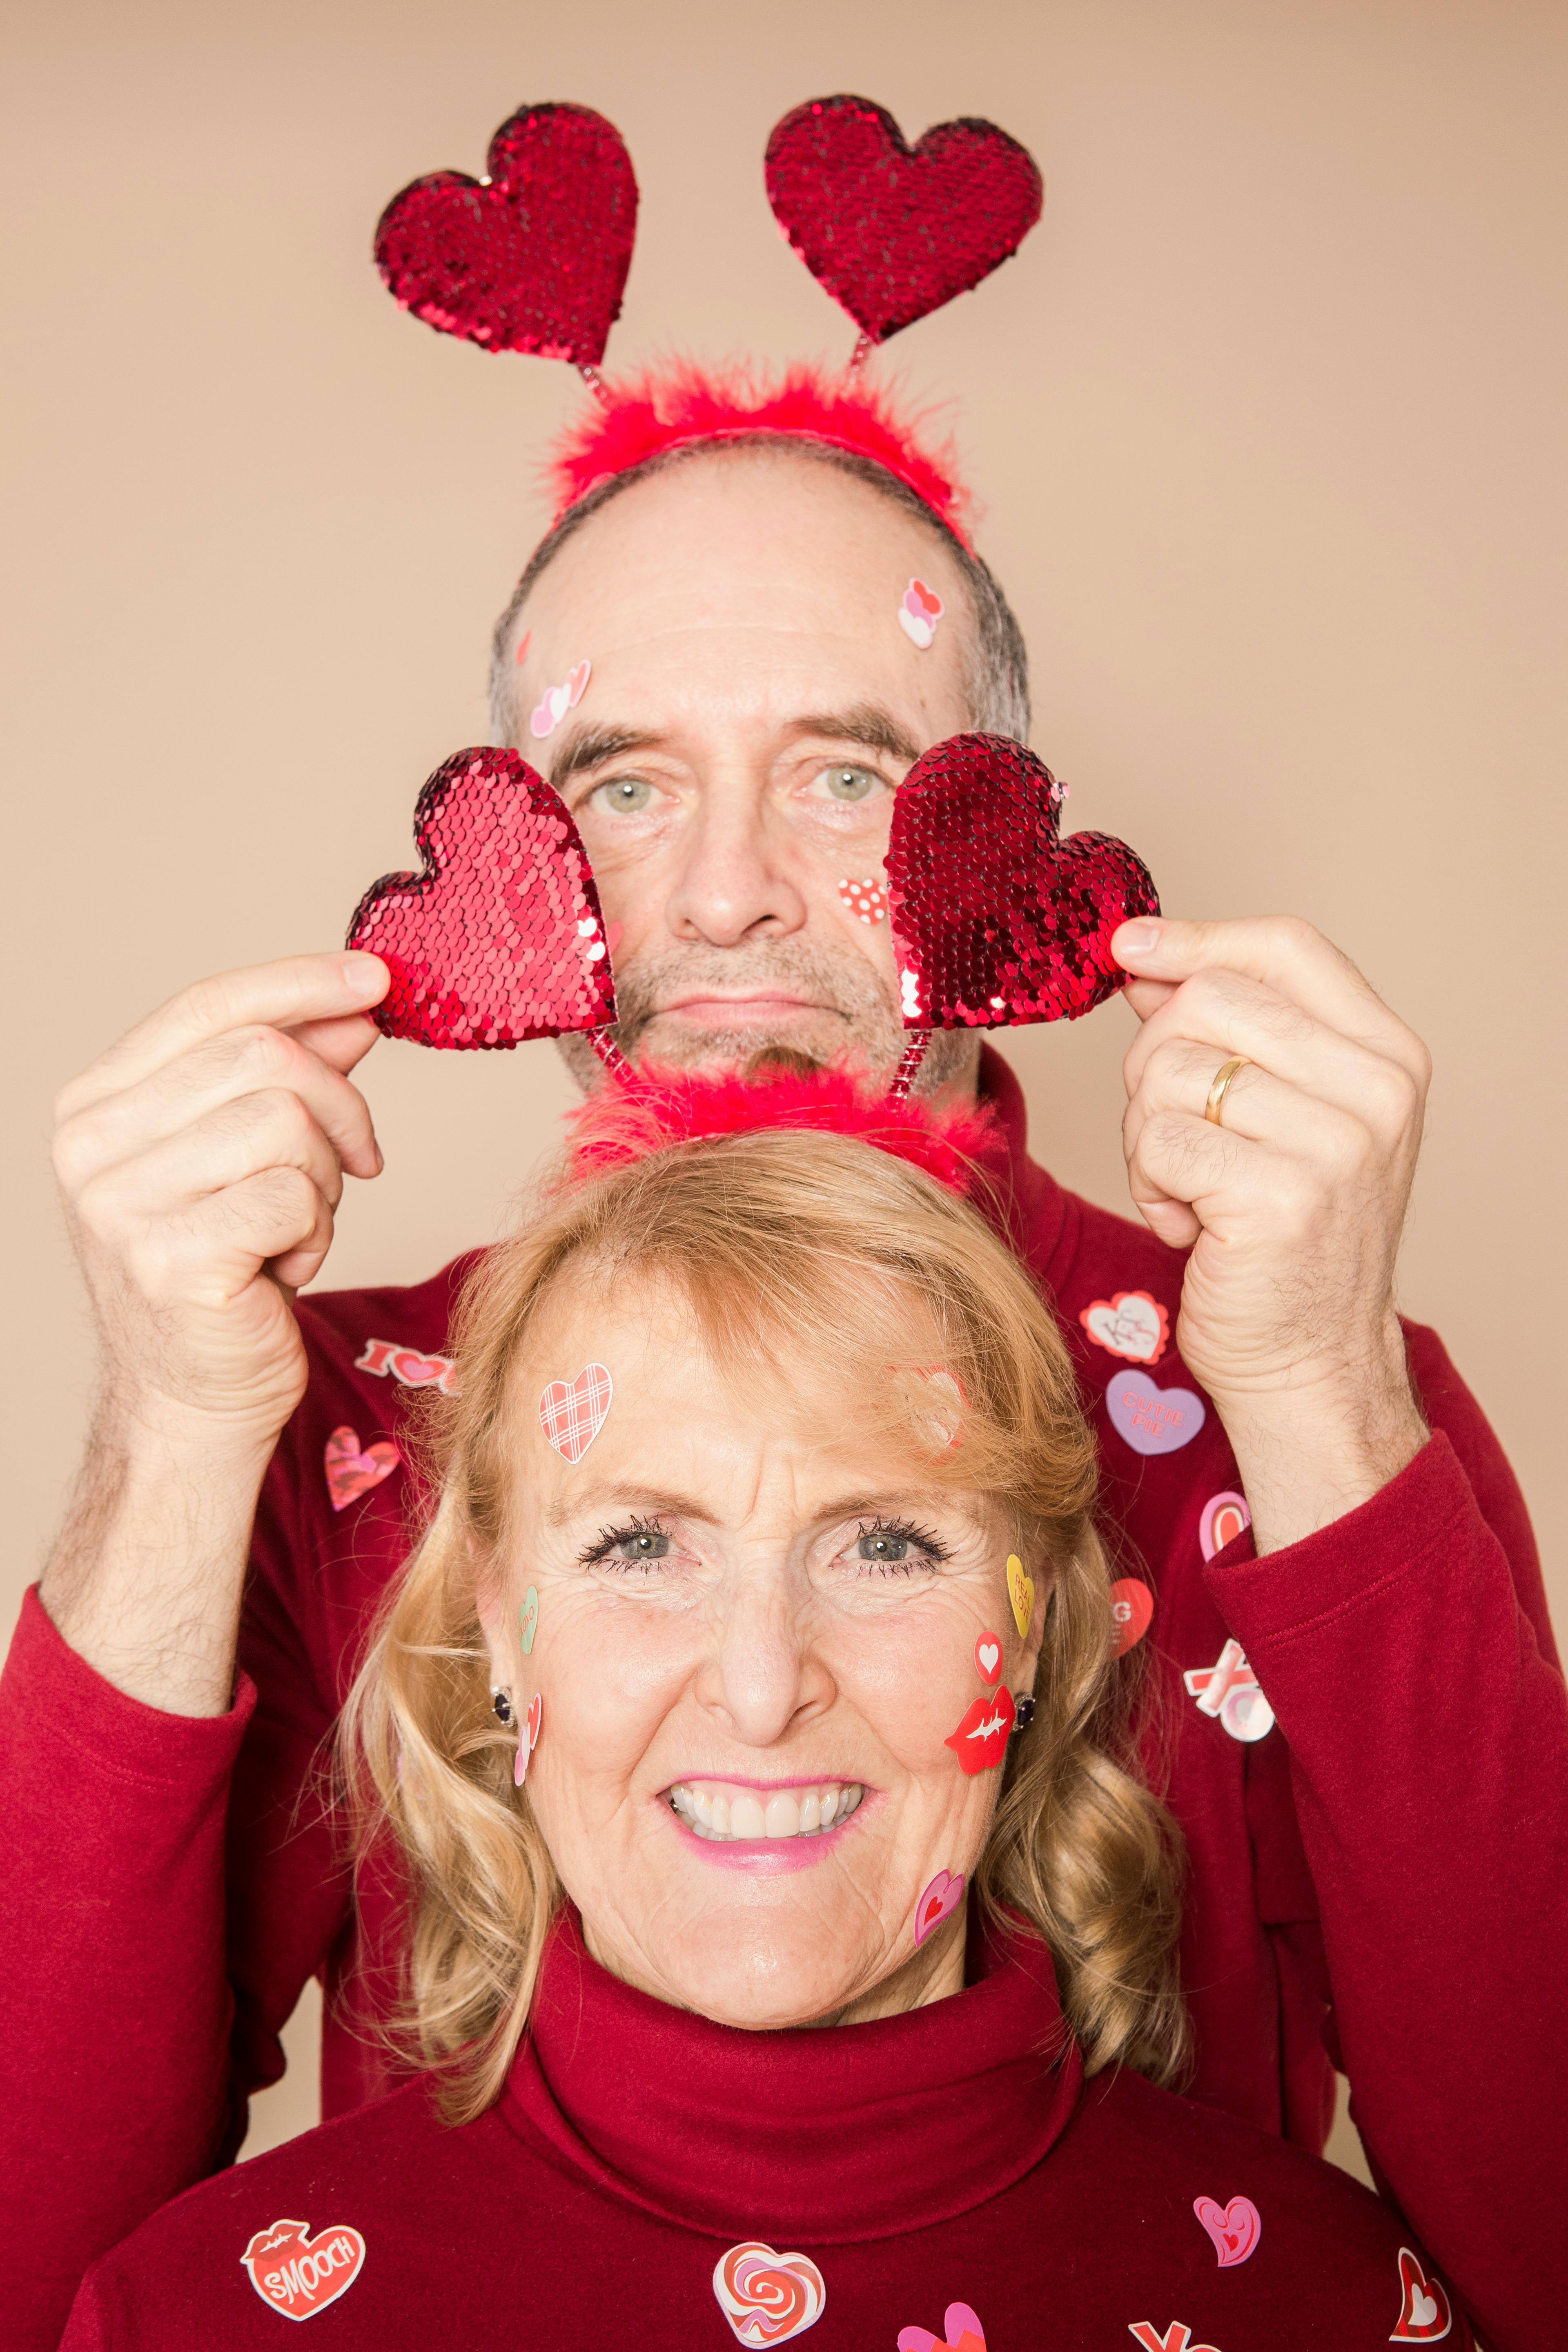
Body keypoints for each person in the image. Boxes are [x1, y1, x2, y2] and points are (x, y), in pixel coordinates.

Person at [3, 368, 1560, 2351]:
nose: (728, 892)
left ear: (1004, 828)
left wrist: (1326, 1382)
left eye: (844, 774)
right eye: (628, 789)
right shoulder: (337, 1422)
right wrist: (171, 1423)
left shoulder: (1286, 1384)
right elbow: (48, 2277)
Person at [57, 1109, 1474, 2349]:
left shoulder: (1330, 2308)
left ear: (1041, 1631)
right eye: (636, 1548)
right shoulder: (187, 2321)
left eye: (886, 1549)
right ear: (497, 1625)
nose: (758, 1684)